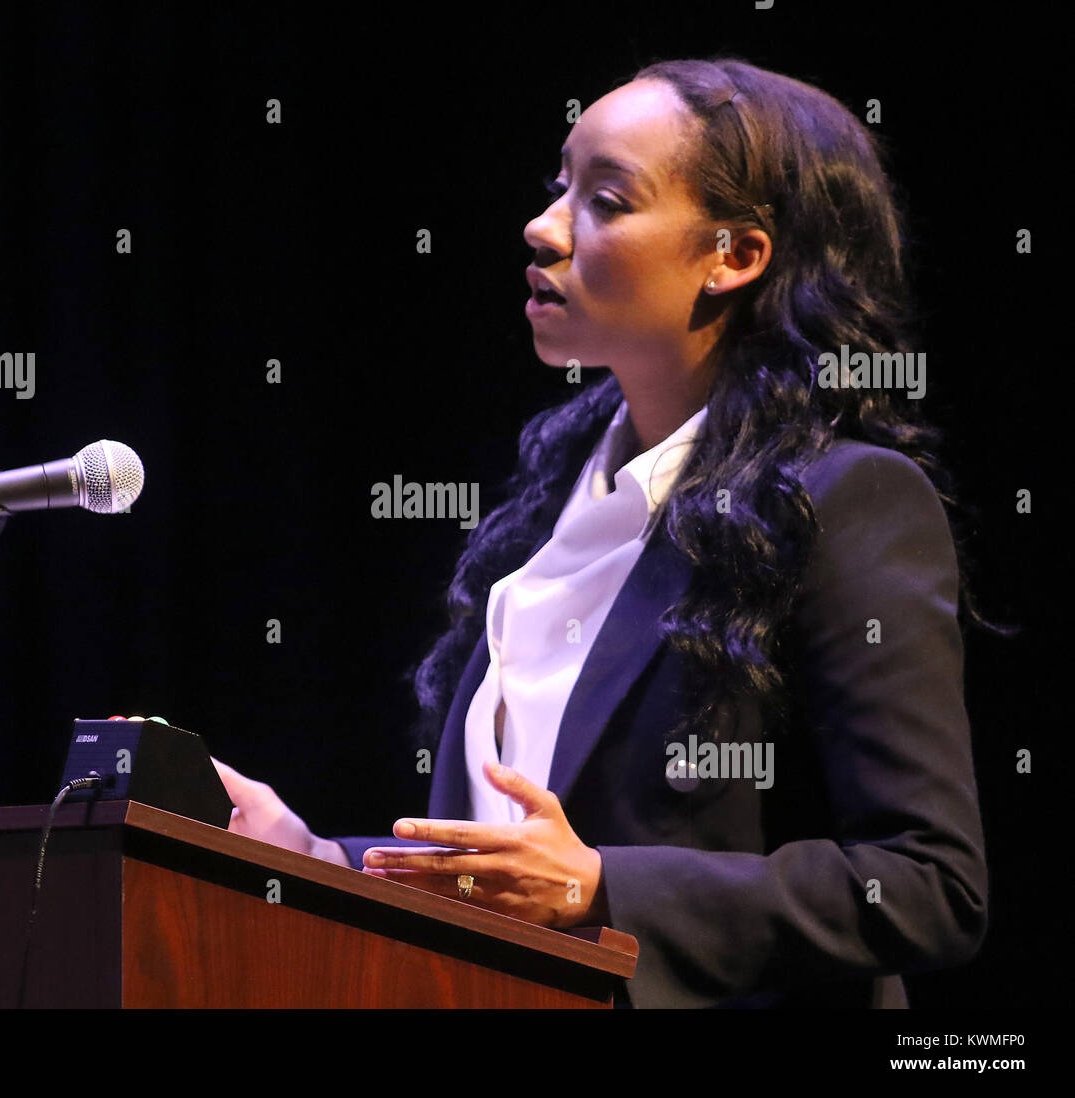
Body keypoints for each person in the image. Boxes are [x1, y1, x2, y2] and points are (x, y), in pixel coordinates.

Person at [212, 57, 993, 1008]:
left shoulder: (848, 499)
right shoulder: (548, 513)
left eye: (606, 200)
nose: (543, 229)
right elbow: (510, 874)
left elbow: (929, 888)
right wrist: (314, 857)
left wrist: (604, 891)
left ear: (733, 256)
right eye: (559, 188)